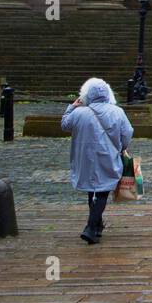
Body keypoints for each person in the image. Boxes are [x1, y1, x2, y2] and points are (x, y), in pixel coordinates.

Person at [60, 77, 134, 245]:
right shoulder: (117, 112)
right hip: (108, 156)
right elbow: (127, 132)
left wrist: (72, 107)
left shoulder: (79, 113)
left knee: (91, 189)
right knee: (102, 190)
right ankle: (92, 227)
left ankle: (95, 226)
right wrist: (122, 146)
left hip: (85, 158)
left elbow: (64, 124)